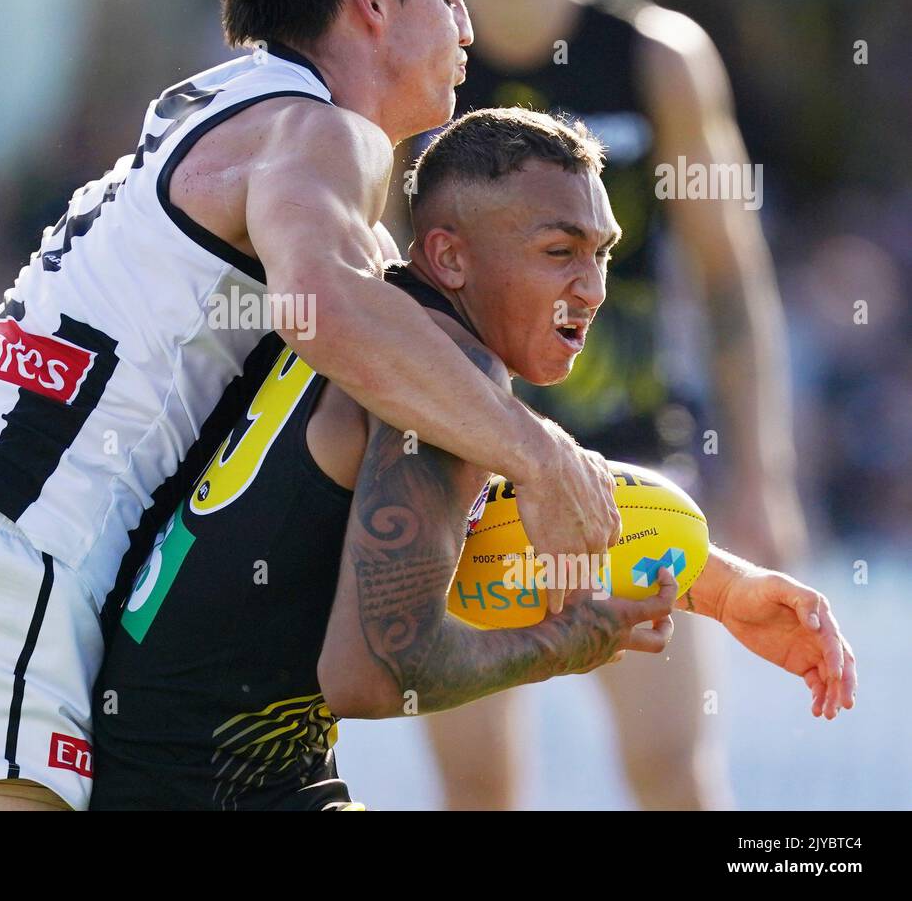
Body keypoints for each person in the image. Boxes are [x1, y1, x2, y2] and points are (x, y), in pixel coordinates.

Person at [0, 0, 624, 813]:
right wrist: (533, 452)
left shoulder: (231, 108)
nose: (468, 26)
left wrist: (716, 579)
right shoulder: (321, 132)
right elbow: (324, 310)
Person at [88, 108, 856, 810]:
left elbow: (542, 495)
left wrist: (721, 590)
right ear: (450, 256)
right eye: (559, 250)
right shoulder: (452, 374)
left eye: (602, 253)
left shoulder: (388, 325)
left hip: (193, 765)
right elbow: (374, 673)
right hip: (210, 789)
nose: (591, 288)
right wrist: (579, 638)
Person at [415, 0, 810, 811]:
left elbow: (728, 277)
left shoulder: (657, 59)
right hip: (466, 472)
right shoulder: (413, 71)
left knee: (671, 774)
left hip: (632, 462)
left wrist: (763, 474)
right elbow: (370, 285)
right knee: (477, 794)